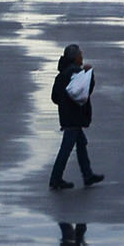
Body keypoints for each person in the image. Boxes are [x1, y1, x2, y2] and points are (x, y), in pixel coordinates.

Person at [48, 44, 104, 190]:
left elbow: (54, 97)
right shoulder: (77, 73)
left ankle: (87, 175)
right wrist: (89, 74)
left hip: (67, 117)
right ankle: (56, 179)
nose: (82, 57)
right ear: (75, 57)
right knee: (66, 149)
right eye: (80, 55)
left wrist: (64, 104)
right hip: (74, 117)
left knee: (81, 144)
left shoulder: (61, 74)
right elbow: (86, 91)